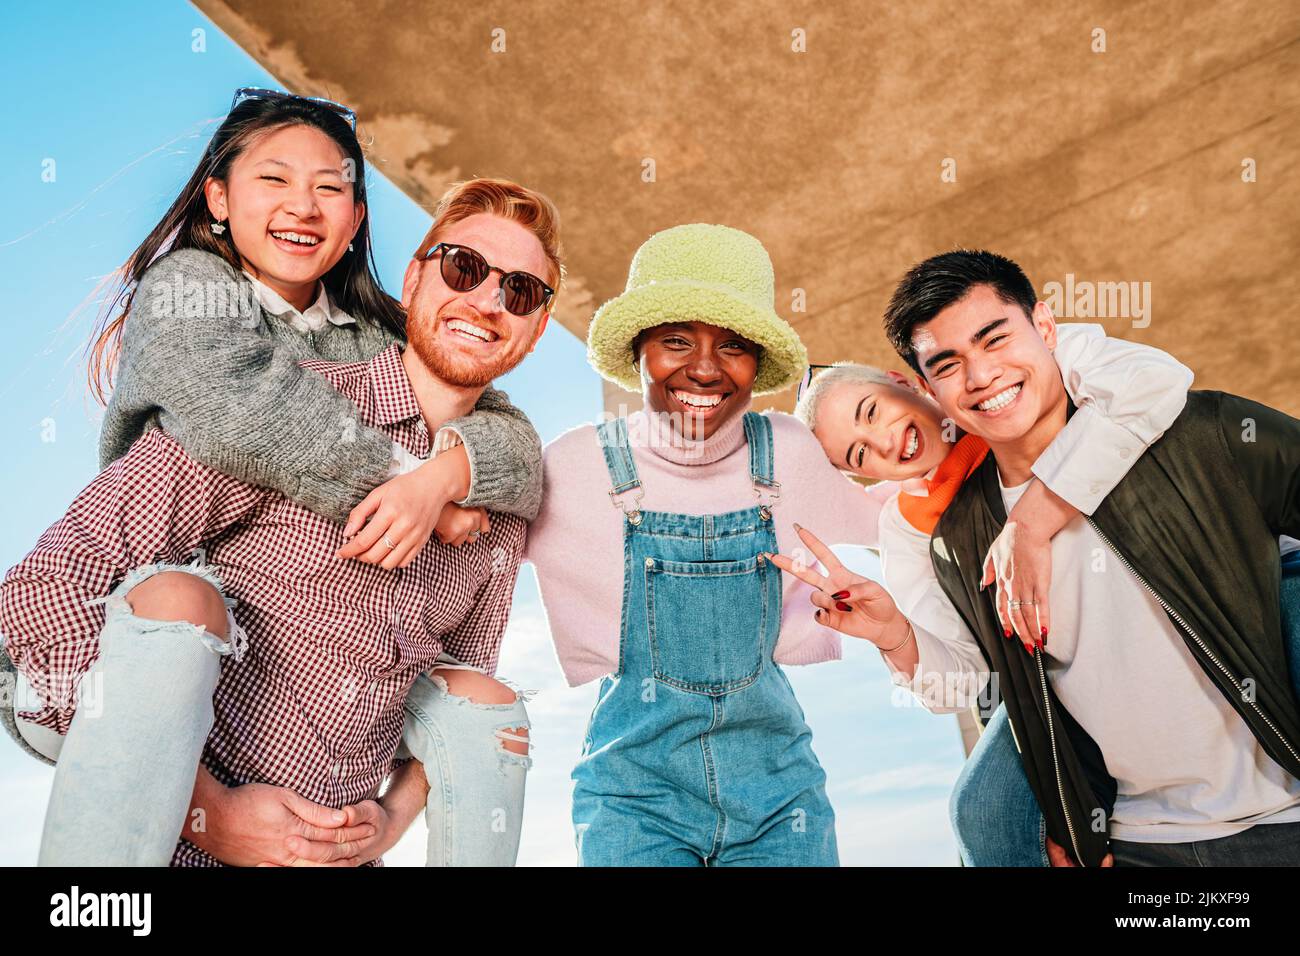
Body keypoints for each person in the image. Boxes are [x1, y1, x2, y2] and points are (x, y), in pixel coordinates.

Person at [0, 167, 561, 865]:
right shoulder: (280, 411)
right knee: (177, 597)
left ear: (535, 329)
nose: (486, 302)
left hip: (334, 856)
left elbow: (456, 695)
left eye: (520, 291)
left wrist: (389, 821)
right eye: (464, 268)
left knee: (489, 697)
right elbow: (41, 593)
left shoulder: (497, 514)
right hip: (174, 848)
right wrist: (207, 814)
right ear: (413, 281)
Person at [787, 249, 1300, 866]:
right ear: (928, 385)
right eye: (860, 455)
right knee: (982, 813)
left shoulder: (1173, 425)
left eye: (872, 414)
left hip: (1282, 809)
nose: (981, 377)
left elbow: (1148, 380)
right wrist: (894, 635)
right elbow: (973, 679)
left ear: (1047, 329)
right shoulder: (935, 535)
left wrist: (1031, 519)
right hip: (1142, 841)